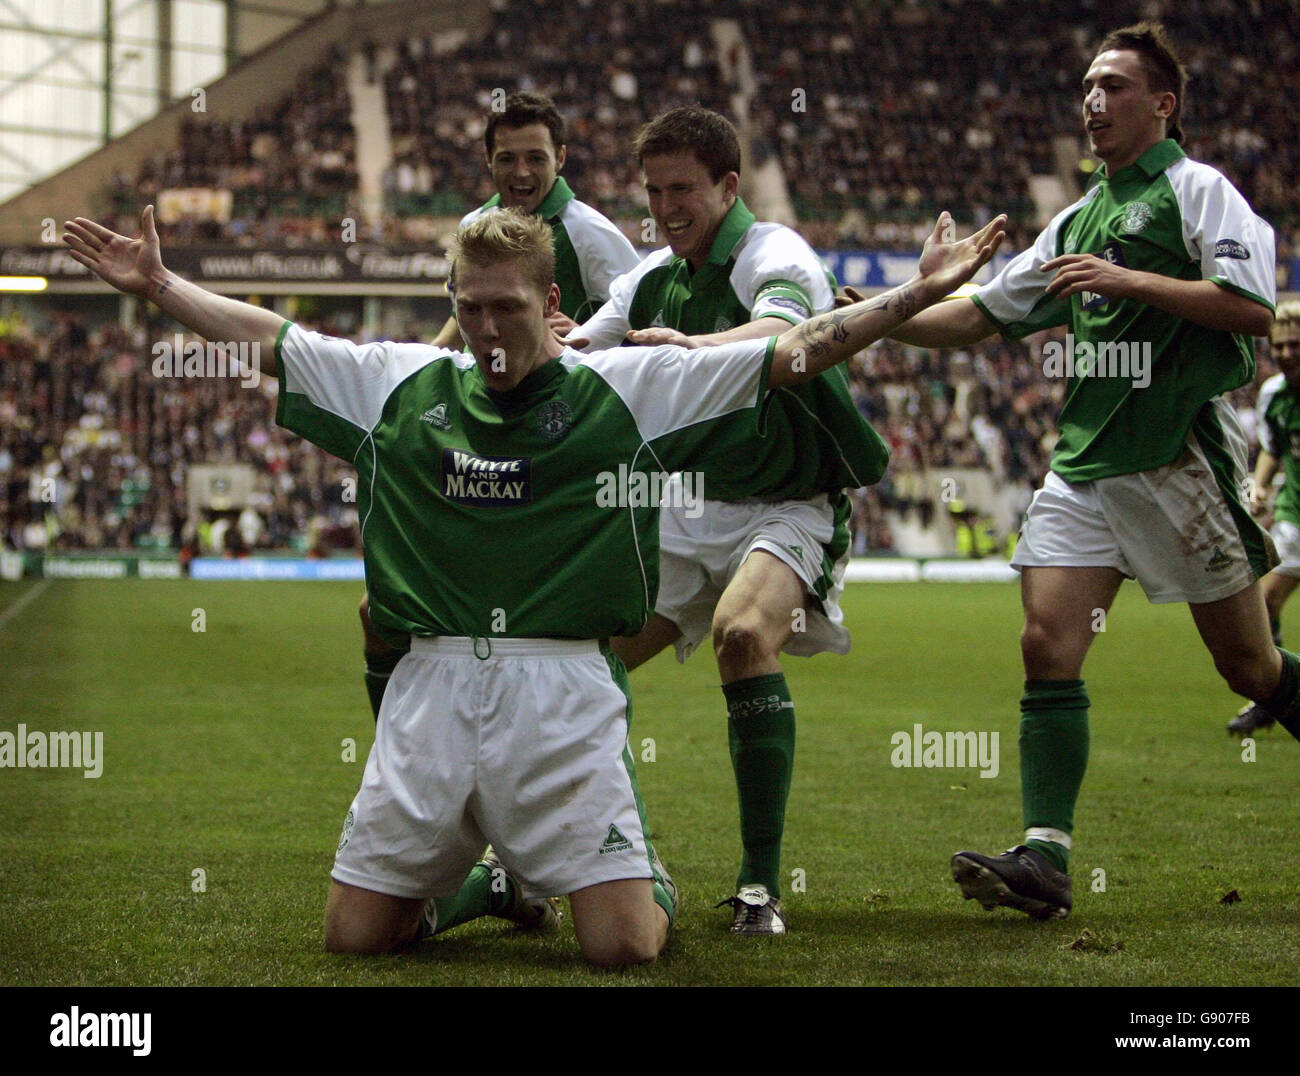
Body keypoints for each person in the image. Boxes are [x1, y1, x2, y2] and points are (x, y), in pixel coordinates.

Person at [63, 202, 1003, 961]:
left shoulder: (627, 387)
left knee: (625, 947)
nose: (485, 328)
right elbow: (274, 338)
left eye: (506, 308)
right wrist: (158, 284)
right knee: (353, 940)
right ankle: (485, 887)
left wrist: (913, 297)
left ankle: (642, 876)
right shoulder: (403, 382)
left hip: (561, 687)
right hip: (429, 689)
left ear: (552, 302)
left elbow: (793, 353)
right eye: (469, 307)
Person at [884, 21, 1285, 920]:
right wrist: (886, 308)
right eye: (1088, 88)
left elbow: (1252, 311)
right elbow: (982, 316)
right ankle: (1045, 860)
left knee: (1251, 671)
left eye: (1113, 87)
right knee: (1045, 646)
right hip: (1086, 465)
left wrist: (1129, 280)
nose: (1092, 102)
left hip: (1176, 456)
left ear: (1163, 104)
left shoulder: (1199, 192)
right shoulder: (1079, 214)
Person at [570, 107, 891, 934]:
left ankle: (759, 885)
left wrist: (693, 349)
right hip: (686, 502)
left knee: (743, 635)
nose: (667, 206)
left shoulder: (774, 253)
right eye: (654, 190)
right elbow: (581, 355)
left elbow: (785, 331)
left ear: (729, 186)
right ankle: (610, 857)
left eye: (683, 189)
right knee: (584, 663)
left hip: (790, 501)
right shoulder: (648, 275)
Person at [361, 91, 640, 723]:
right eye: (506, 158)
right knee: (384, 610)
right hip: (484, 440)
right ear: (488, 161)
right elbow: (457, 331)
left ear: (562, 158)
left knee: (570, 627)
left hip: (567, 444)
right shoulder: (473, 231)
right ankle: (411, 754)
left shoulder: (594, 235)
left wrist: (585, 338)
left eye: (535, 158)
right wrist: (407, 377)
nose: (521, 173)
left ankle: (579, 761)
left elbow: (641, 322)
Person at [1230, 301, 1300, 734]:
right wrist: (1259, 484)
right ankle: (1270, 699)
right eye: (1280, 347)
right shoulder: (1274, 393)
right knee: (1265, 599)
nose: (1288, 354)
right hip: (1295, 511)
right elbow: (1274, 447)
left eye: (1296, 345)